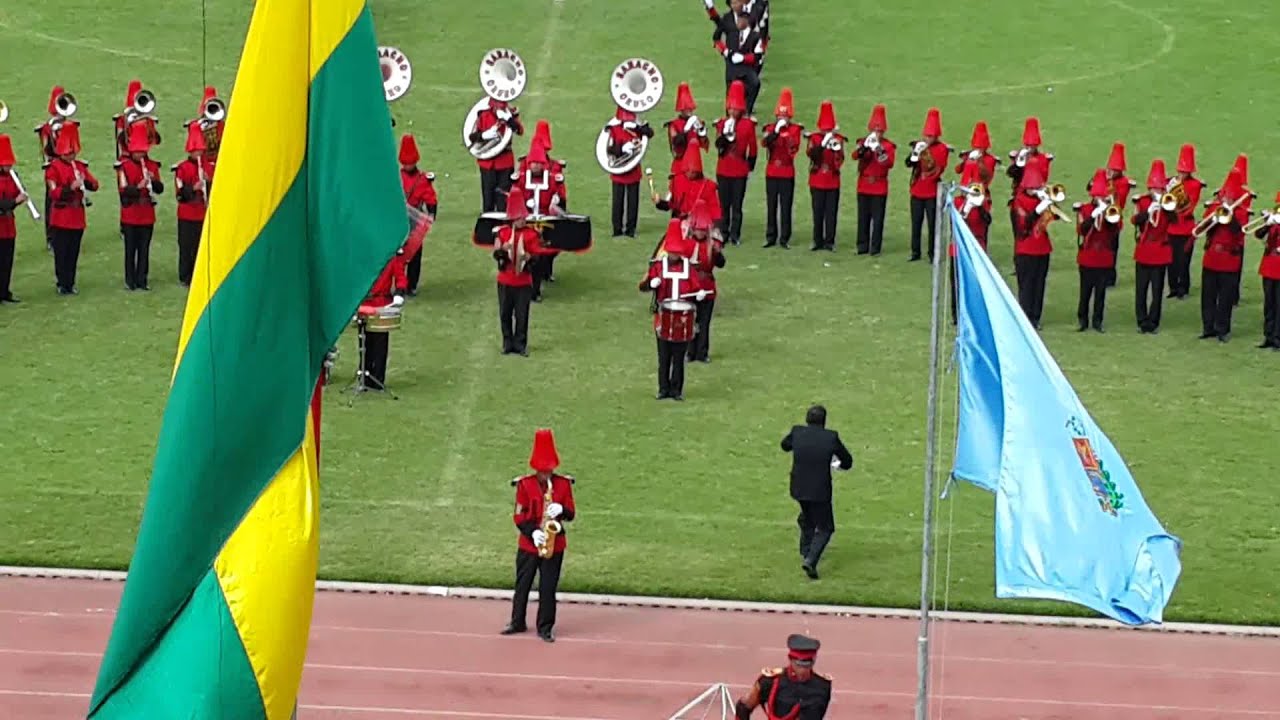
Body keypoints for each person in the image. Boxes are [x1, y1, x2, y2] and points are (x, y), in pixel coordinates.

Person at [503, 428, 577, 644]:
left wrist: (560, 509)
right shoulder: (524, 485)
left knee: (548, 587)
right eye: (542, 471)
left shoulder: (562, 484)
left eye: (549, 470)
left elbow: (571, 514)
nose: (546, 475)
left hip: (554, 545)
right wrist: (533, 532)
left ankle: (545, 626)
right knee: (522, 584)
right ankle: (517, 621)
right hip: (530, 543)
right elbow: (519, 516)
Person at [780, 405, 853, 580]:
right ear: (824, 421)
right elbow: (848, 461)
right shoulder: (830, 437)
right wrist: (837, 464)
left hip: (798, 487)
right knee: (826, 528)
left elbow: (785, 445)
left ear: (806, 419)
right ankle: (811, 560)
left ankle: (806, 551)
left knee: (806, 518)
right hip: (820, 490)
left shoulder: (797, 432)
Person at [641, 222, 706, 400]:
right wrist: (652, 283)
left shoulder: (689, 268)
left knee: (678, 358)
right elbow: (645, 285)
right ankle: (663, 389)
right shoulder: (658, 266)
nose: (674, 254)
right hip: (663, 317)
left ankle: (676, 390)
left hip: (682, 319)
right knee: (664, 357)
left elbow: (695, 287)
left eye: (677, 252)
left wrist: (699, 293)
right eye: (672, 251)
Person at [494, 188, 555, 356]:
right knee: (505, 314)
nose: (521, 220)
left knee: (522, 315)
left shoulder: (531, 234)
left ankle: (520, 344)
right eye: (518, 218)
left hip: (523, 282)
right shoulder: (503, 233)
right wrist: (503, 249)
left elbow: (538, 256)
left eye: (523, 217)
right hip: (505, 280)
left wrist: (529, 257)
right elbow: (496, 252)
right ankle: (507, 342)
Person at [44, 123, 98, 296]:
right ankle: (62, 283)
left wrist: (86, 183)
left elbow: (95, 184)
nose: (71, 156)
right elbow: (54, 193)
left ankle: (71, 282)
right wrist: (71, 187)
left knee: (73, 253)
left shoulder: (80, 167)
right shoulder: (53, 169)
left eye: (73, 152)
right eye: (68, 153)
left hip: (76, 217)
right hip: (61, 217)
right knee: (61, 253)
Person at [1198, 168, 1248, 343]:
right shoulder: (1214, 208)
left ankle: (1222, 329)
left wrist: (1230, 214)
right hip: (1212, 258)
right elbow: (1201, 228)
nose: (1227, 199)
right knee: (1208, 296)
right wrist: (1214, 218)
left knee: (1225, 298)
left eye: (1230, 197)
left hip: (1229, 260)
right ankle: (1208, 327)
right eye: (1225, 196)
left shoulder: (1241, 212)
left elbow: (1238, 233)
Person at [734, 634, 832, 719]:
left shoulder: (823, 686)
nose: (802, 670)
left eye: (807, 665)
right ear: (790, 659)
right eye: (798, 665)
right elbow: (744, 707)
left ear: (813, 661)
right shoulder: (770, 682)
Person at [115, 122, 164, 291]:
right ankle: (130, 280)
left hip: (147, 214)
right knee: (130, 250)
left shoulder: (151, 166)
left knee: (144, 249)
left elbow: (160, 189)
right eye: (138, 152)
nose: (141, 155)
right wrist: (139, 186)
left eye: (143, 151)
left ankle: (142, 279)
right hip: (131, 214)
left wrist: (153, 180)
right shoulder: (124, 167)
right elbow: (123, 190)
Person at [358, 242, 409, 391]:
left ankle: (378, 379)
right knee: (364, 342)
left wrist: (399, 293)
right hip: (365, 304)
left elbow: (400, 277)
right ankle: (365, 378)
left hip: (382, 304)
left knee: (380, 344)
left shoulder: (392, 258)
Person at [1011, 164, 1055, 329]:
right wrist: (1039, 209)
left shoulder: (1042, 199)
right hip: (1026, 249)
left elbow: (1053, 216)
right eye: (1032, 187)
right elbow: (1025, 224)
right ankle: (1025, 318)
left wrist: (1048, 202)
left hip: (1043, 248)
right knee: (1027, 285)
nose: (1034, 190)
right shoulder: (1019, 202)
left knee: (1039, 284)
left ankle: (1036, 317)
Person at [713, 80, 757, 246]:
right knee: (724, 205)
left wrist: (749, 166)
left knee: (737, 205)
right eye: (730, 108)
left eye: (736, 109)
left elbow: (752, 148)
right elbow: (719, 146)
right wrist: (725, 134)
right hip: (724, 169)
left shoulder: (747, 125)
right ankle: (723, 233)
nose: (733, 111)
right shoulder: (722, 124)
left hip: (739, 169)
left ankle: (735, 234)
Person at [1131, 159, 1172, 333]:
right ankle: (1142, 321)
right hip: (1144, 249)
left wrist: (1165, 206)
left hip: (1160, 251)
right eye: (1154, 188)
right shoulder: (1142, 202)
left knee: (1157, 291)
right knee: (1141, 289)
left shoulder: (1169, 203)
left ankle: (1153, 322)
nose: (1156, 191)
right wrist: (1147, 212)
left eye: (1160, 188)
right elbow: (1134, 220)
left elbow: (1175, 220)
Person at [904, 107, 950, 262]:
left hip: (931, 191)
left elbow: (939, 168)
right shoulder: (919, 145)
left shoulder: (942, 149)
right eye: (926, 136)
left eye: (931, 136)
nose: (928, 138)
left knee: (933, 225)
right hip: (917, 189)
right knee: (916, 223)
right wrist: (915, 153)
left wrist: (927, 157)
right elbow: (908, 164)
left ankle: (932, 253)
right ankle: (915, 252)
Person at [1075, 169, 1116, 332]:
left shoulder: (1110, 210)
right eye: (1097, 196)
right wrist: (1093, 215)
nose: (1099, 199)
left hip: (1104, 257)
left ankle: (1098, 321)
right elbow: (1082, 230)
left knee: (1100, 293)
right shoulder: (1084, 209)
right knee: (1085, 291)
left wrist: (1107, 213)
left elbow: (1115, 229)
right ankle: (1082, 320)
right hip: (1087, 256)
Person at [466, 95, 523, 212]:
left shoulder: (509, 114)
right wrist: (482, 135)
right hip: (487, 162)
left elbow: (519, 130)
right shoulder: (483, 114)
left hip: (505, 162)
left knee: (503, 200)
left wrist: (509, 119)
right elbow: (471, 137)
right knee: (488, 200)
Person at [172, 122, 212, 287]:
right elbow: (180, 194)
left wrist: (208, 183)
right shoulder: (182, 169)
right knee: (186, 245)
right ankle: (185, 276)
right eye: (196, 151)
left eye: (201, 151)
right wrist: (194, 188)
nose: (199, 154)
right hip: (187, 214)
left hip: (202, 213)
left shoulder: (208, 168)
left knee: (199, 246)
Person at [706, 0, 764, 114]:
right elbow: (717, 31)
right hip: (732, 60)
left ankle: (747, 110)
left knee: (754, 84)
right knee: (731, 89)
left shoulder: (751, 14)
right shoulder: (727, 18)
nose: (735, 5)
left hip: (747, 61)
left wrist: (745, 58)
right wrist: (726, 52)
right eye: (733, 3)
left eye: (737, 2)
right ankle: (729, 115)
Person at [950, 162, 990, 323]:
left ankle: (974, 313)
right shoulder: (957, 202)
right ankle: (957, 315)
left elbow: (987, 221)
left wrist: (979, 207)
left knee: (976, 283)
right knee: (957, 284)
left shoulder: (982, 202)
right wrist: (967, 207)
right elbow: (954, 224)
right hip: (958, 248)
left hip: (977, 247)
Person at [761, 87, 801, 249]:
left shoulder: (795, 130)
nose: (782, 118)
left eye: (784, 115)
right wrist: (776, 132)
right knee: (771, 205)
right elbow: (765, 143)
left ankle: (784, 237)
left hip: (786, 172)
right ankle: (771, 236)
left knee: (786, 206)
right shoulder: (770, 129)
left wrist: (785, 134)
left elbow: (793, 148)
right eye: (780, 115)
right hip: (772, 171)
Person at [686, 200, 725, 362]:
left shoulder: (712, 243)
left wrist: (717, 253)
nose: (700, 233)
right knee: (690, 320)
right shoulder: (687, 243)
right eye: (697, 230)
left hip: (707, 286)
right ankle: (690, 352)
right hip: (690, 286)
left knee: (704, 321)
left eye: (702, 230)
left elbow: (721, 264)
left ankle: (702, 352)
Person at [852, 104, 894, 255]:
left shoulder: (888, 146)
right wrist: (865, 147)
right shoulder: (863, 141)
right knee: (863, 217)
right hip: (864, 184)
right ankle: (862, 245)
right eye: (875, 130)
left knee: (877, 219)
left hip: (879, 185)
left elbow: (889, 163)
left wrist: (878, 149)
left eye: (880, 131)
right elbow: (855, 156)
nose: (877, 133)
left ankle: (875, 248)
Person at [604, 107, 652, 237]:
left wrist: (639, 128)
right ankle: (617, 229)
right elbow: (609, 149)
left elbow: (650, 133)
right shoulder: (614, 129)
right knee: (617, 201)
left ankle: (631, 229)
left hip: (633, 169)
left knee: (633, 202)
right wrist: (621, 149)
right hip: (619, 170)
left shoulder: (636, 129)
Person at [1005, 117, 1053, 245]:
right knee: (1020, 235)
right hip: (1020, 200)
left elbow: (1043, 178)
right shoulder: (1020, 156)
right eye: (1028, 145)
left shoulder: (1043, 159)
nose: (1030, 148)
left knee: (1038, 234)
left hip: (1038, 199)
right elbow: (1011, 174)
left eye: (1033, 145)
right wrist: (1019, 163)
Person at [399, 134, 437, 295]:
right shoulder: (420, 180)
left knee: (407, 254)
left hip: (406, 219)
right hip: (407, 220)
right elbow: (431, 200)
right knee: (406, 254)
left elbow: (431, 199)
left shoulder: (398, 177)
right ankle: (405, 286)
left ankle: (407, 285)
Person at [1166, 144, 1203, 299]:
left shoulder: (1195, 185)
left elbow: (1189, 206)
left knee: (1183, 260)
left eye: (1185, 171)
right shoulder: (1170, 181)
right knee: (1171, 260)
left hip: (1186, 227)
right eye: (1181, 171)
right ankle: (1173, 287)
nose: (1182, 174)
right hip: (1171, 227)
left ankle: (1183, 287)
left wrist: (1177, 190)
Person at [807, 101, 845, 252]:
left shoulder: (839, 140)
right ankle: (817, 240)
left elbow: (840, 160)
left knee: (831, 213)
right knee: (817, 212)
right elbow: (811, 155)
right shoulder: (815, 139)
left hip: (832, 180)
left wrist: (834, 148)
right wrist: (823, 144)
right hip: (817, 180)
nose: (826, 131)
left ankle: (830, 241)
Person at [655, 148, 721, 224]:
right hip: (679, 224)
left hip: (698, 226)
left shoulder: (708, 186)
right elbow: (670, 204)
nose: (690, 174)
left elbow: (715, 212)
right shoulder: (676, 180)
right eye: (688, 170)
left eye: (694, 172)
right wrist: (659, 202)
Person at [663, 82, 709, 185]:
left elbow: (704, 145)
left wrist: (702, 132)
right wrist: (686, 130)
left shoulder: (697, 122)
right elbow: (676, 144)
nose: (689, 111)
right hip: (681, 164)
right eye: (686, 109)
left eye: (690, 109)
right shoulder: (674, 125)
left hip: (695, 164)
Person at [1101, 142, 1133, 287]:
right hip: (1102, 218)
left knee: (1112, 249)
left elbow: (1119, 199)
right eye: (1111, 169)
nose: (1112, 172)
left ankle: (1110, 277)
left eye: (1115, 170)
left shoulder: (1124, 182)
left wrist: (1110, 191)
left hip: (1114, 219)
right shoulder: (1105, 178)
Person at [0, 132, 24, 303]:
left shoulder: (11, 178)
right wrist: (15, 201)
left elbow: (15, 198)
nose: (9, 167)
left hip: (8, 226)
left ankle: (4, 291)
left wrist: (20, 200)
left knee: (7, 261)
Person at [1255, 192, 1280, 349]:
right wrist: (1267, 224)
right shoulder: (1274, 221)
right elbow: (1258, 235)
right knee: (1269, 303)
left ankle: (1278, 338)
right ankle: (1268, 336)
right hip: (1269, 266)